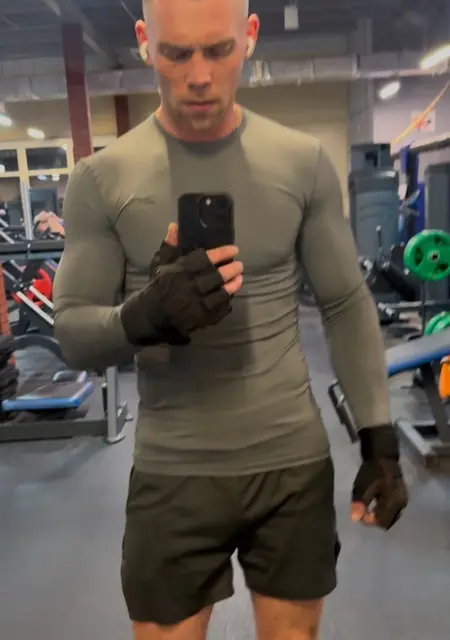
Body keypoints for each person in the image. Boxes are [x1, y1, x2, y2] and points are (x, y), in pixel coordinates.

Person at [53, 0, 409, 638]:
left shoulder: (300, 161)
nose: (198, 76)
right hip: (173, 470)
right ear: (144, 41)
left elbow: (344, 301)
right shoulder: (103, 178)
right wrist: (144, 316)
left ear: (249, 36)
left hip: (291, 466)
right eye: (176, 53)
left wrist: (378, 437)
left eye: (218, 50)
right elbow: (73, 333)